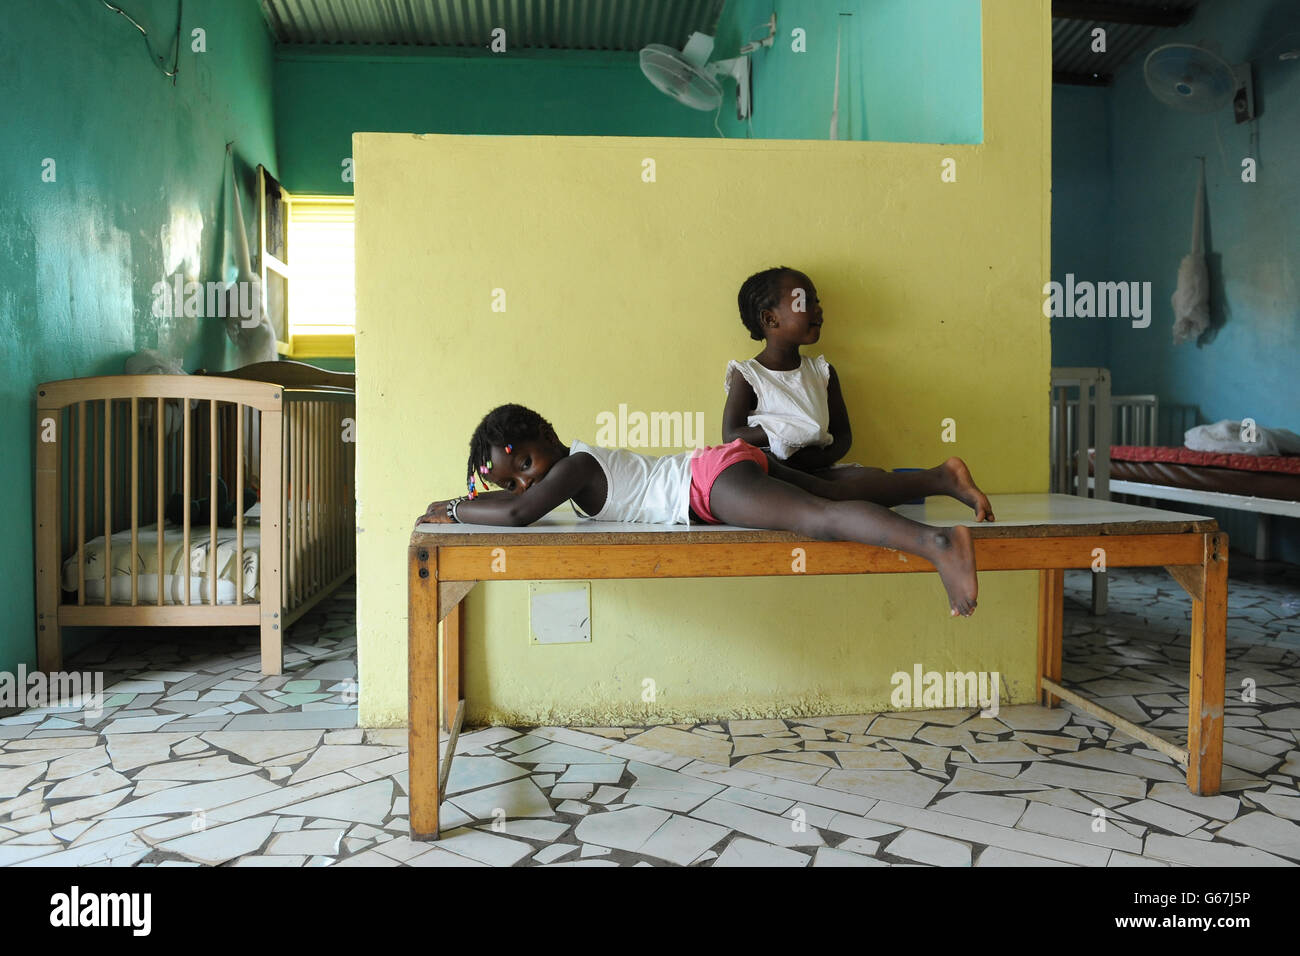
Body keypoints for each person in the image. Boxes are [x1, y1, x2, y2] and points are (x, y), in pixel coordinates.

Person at [415, 404, 994, 617]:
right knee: (836, 489)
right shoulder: (572, 467)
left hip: (706, 485)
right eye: (511, 479)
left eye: (523, 463)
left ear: (544, 435)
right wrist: (480, 494)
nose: (525, 480)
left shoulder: (574, 469)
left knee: (818, 517)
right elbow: (517, 505)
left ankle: (937, 544)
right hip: (719, 469)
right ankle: (942, 477)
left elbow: (518, 518)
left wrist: (455, 507)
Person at [722, 267, 995, 518]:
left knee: (868, 478)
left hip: (818, 470)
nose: (818, 310)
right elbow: (731, 437)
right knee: (839, 496)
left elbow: (843, 437)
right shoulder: (748, 375)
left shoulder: (822, 372)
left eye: (817, 301)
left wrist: (819, 455)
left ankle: (946, 475)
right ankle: (940, 480)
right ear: (770, 319)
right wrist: (782, 430)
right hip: (773, 473)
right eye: (804, 302)